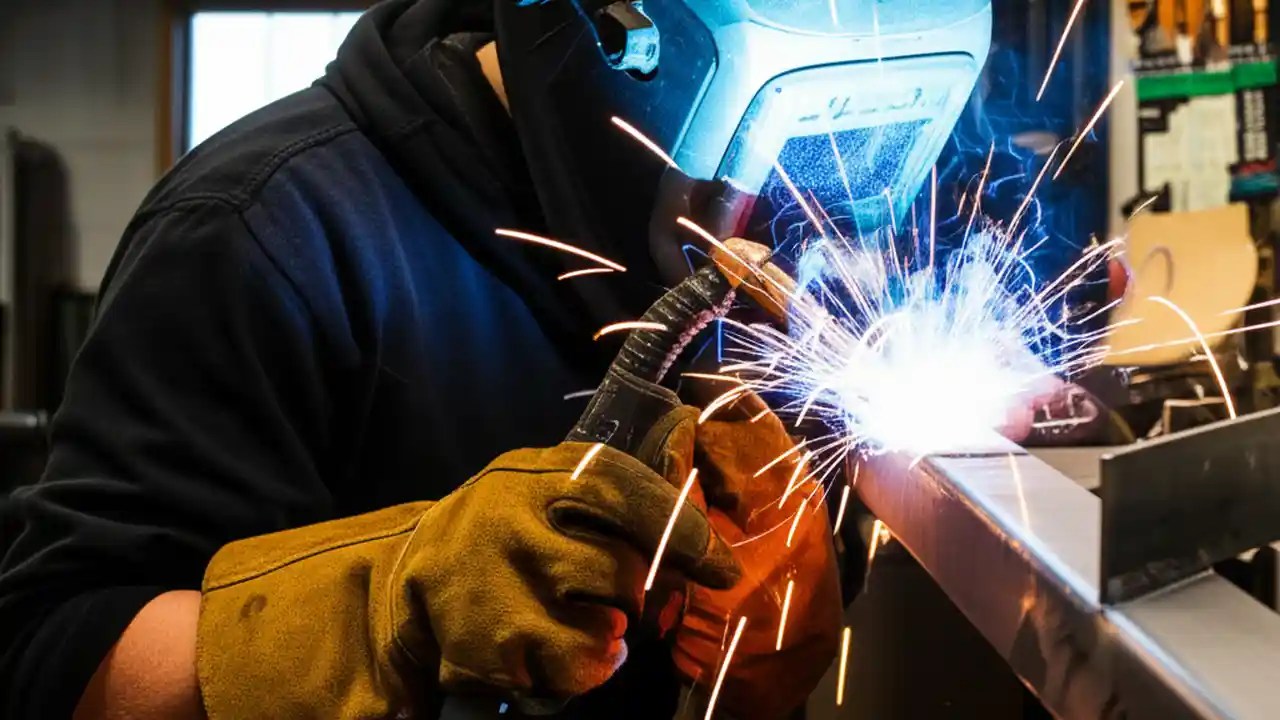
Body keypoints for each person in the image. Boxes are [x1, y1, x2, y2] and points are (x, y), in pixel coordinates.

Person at [0, 0, 850, 717]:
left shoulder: (777, 230)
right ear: (621, 35)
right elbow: (52, 660)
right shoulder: (261, 231)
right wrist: (391, 614)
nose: (785, 194)